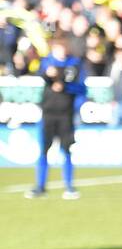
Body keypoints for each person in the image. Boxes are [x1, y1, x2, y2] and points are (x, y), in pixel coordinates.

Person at [25, 36, 85, 200]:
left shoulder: (75, 65)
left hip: (66, 115)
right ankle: (40, 186)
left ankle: (69, 186)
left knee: (67, 150)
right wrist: (47, 73)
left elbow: (81, 88)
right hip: (48, 114)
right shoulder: (46, 63)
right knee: (44, 150)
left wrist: (66, 87)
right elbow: (40, 74)